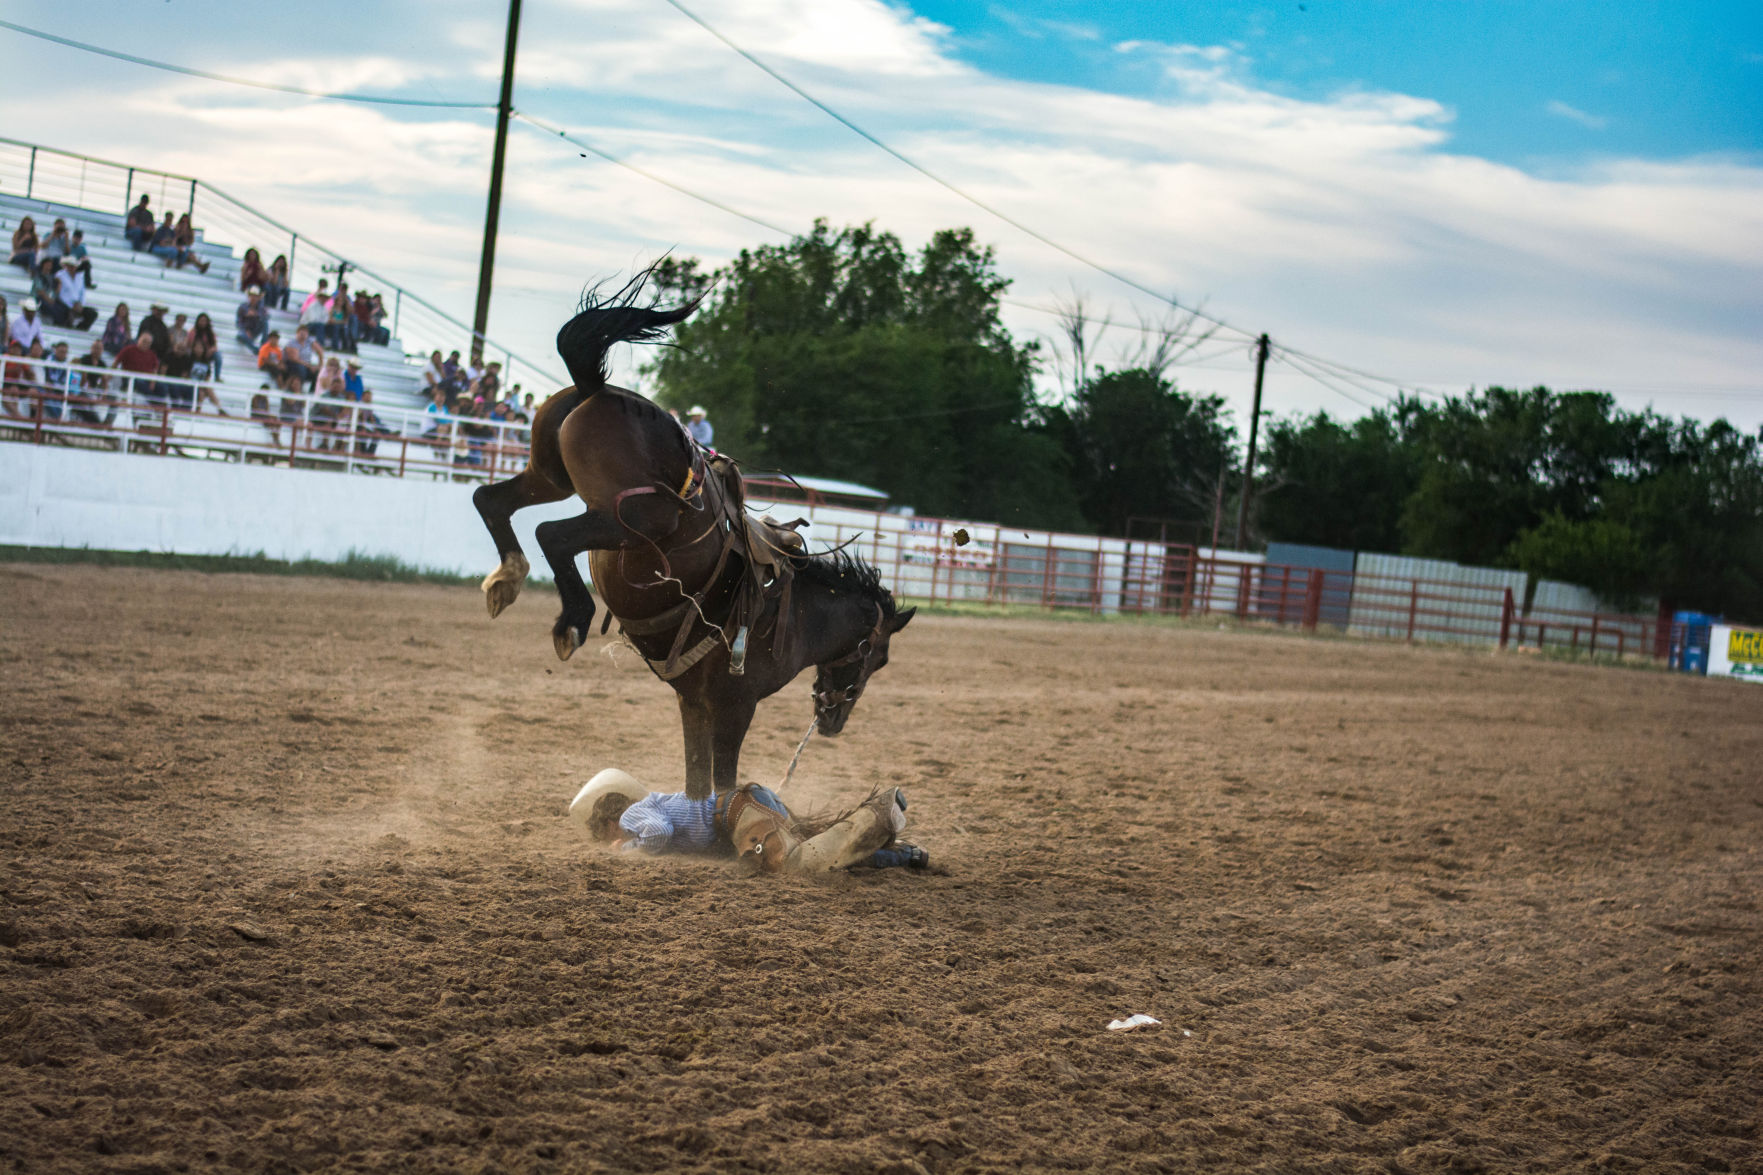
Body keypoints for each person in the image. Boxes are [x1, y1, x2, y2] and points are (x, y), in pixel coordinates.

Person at [568, 770, 927, 873]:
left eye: (605, 834)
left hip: (741, 813)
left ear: (612, 821)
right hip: (744, 810)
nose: (607, 841)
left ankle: (879, 811)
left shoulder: (636, 814)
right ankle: (904, 855)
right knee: (824, 859)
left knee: (793, 865)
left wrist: (627, 848)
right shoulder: (654, 804)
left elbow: (660, 834)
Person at [70, 338, 116, 425]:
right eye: (95, 347)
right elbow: (82, 379)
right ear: (91, 348)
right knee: (88, 398)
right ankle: (96, 424)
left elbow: (104, 381)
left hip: (95, 389)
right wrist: (90, 390)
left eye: (99, 348)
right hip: (83, 389)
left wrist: (104, 393)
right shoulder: (84, 359)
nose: (97, 350)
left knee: (114, 398)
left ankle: (108, 423)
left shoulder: (102, 364)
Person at [188, 314, 225, 413]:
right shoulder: (189, 359)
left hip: (200, 382)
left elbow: (207, 377)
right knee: (203, 391)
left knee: (203, 391)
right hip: (190, 381)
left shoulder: (205, 362)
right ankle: (218, 408)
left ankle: (217, 408)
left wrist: (210, 351)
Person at [111, 330, 161, 402]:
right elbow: (116, 362)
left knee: (162, 387)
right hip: (130, 378)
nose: (146, 344)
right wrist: (109, 375)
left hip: (146, 379)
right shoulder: (128, 349)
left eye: (148, 343)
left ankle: (161, 407)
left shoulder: (152, 354)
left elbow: (155, 370)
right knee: (139, 382)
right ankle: (153, 402)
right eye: (144, 341)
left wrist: (153, 383)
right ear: (139, 339)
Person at [2, 340, 40, 419]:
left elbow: (30, 376)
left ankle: (33, 418)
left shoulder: (21, 360)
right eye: (14, 348)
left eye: (18, 348)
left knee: (34, 391)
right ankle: (18, 417)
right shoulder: (5, 357)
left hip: (17, 384)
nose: (16, 350)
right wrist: (14, 369)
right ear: (10, 349)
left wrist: (29, 372)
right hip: (5, 383)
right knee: (14, 389)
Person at [56, 259, 97, 331]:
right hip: (65, 304)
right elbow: (60, 294)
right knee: (65, 312)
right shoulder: (60, 275)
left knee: (92, 314)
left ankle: (80, 328)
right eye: (70, 266)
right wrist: (71, 305)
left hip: (77, 304)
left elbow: (82, 293)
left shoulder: (80, 277)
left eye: (73, 266)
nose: (72, 268)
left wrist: (80, 304)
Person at [353, 389, 395, 457]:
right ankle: (364, 453)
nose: (369, 398)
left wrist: (376, 429)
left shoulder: (369, 406)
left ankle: (370, 453)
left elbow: (372, 419)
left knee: (377, 433)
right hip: (359, 426)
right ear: (363, 397)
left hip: (367, 426)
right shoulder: (360, 405)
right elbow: (360, 419)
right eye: (367, 396)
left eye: (370, 396)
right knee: (364, 433)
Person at [283, 324, 323, 392]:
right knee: (301, 369)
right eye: (301, 333)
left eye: (305, 333)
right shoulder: (292, 343)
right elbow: (295, 359)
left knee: (318, 372)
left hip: (306, 364)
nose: (303, 335)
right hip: (294, 364)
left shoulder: (309, 341)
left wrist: (320, 364)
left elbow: (320, 351)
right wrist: (309, 366)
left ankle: (312, 391)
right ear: (297, 333)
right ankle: (298, 388)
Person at [140, 302, 172, 367]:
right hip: (146, 353)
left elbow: (166, 342)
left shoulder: (163, 326)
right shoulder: (147, 321)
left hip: (158, 356)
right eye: (158, 310)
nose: (159, 313)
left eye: (161, 311)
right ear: (154, 310)